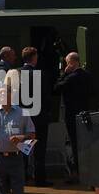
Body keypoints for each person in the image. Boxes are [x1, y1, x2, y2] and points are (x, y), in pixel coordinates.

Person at [53, 51, 94, 180]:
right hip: (85, 113)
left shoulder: (70, 78)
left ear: (71, 63)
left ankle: (77, 172)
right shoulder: (88, 76)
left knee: (74, 143)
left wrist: (64, 73)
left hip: (71, 114)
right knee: (87, 142)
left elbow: (56, 89)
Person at [20, 46, 50, 186]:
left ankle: (23, 177)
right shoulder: (39, 74)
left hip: (22, 116)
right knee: (39, 148)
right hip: (39, 116)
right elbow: (45, 96)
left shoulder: (17, 73)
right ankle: (40, 178)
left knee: (23, 147)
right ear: (34, 58)